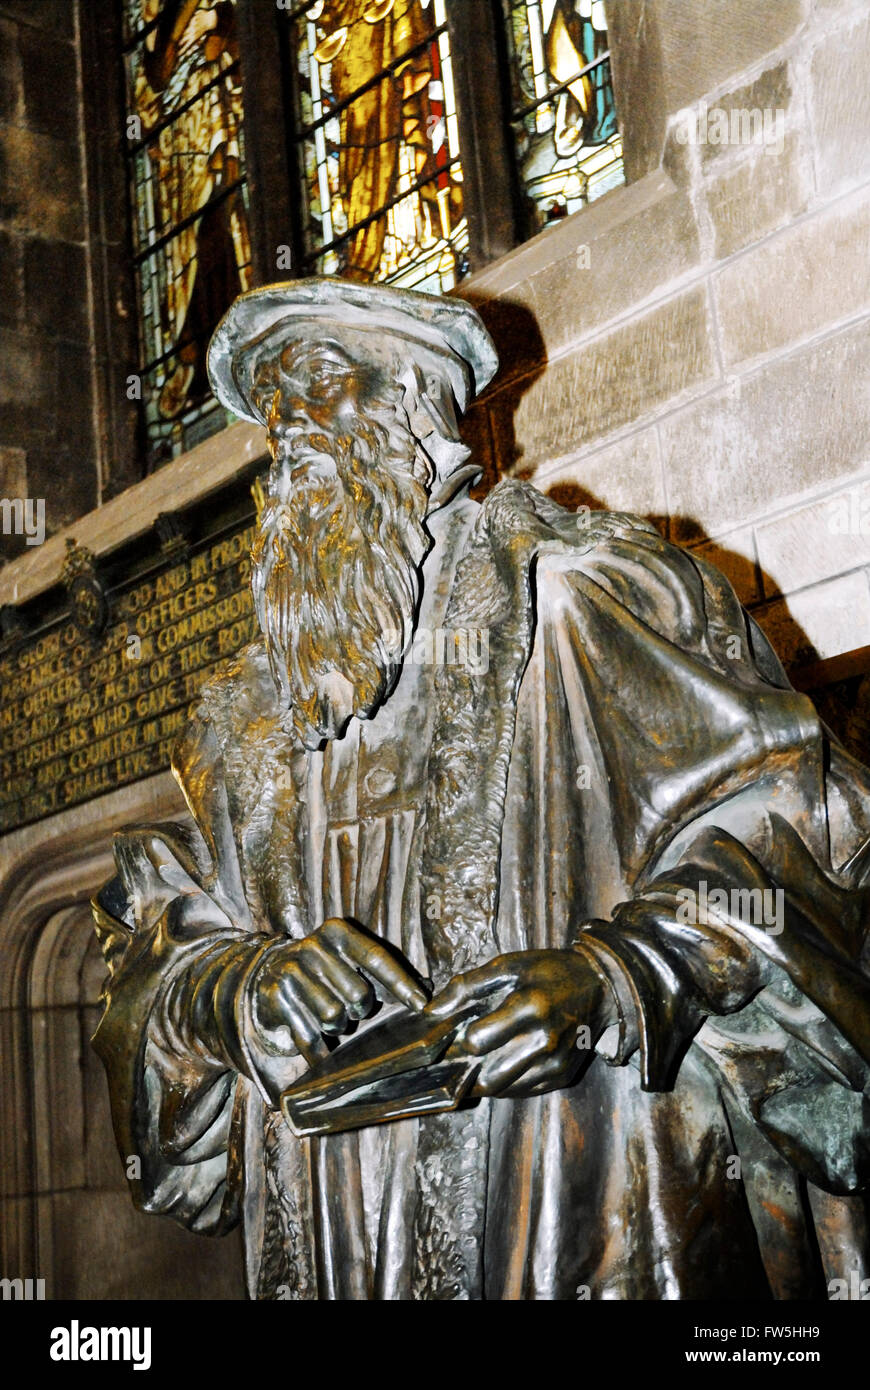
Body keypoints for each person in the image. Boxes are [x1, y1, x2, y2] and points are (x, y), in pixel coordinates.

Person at [92, 277, 870, 1300]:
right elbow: (152, 944)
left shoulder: (582, 596)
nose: (286, 427)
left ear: (416, 402)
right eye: (271, 409)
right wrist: (241, 988)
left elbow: (799, 830)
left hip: (570, 1187)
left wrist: (613, 982)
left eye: (316, 383)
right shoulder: (250, 721)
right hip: (334, 1216)